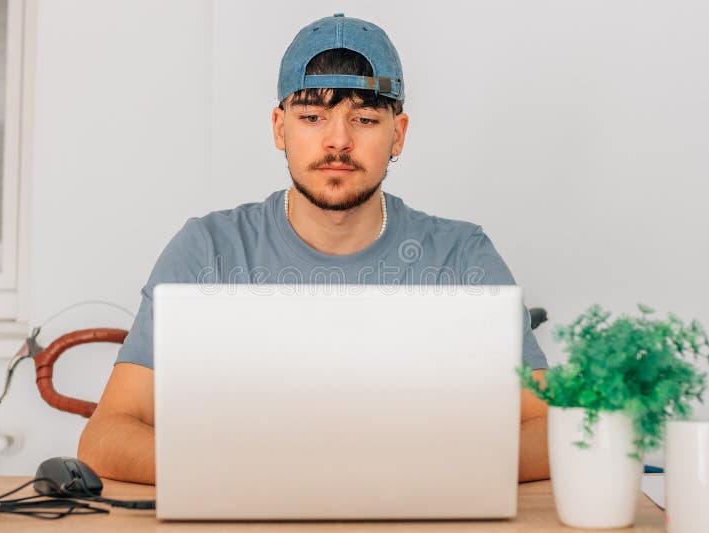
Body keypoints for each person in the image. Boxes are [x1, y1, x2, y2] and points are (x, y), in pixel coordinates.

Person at [78, 13, 550, 485]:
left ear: (398, 134)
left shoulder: (461, 257)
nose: (338, 141)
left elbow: (550, 428)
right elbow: (105, 436)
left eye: (364, 118)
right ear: (280, 128)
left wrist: (402, 471)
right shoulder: (208, 251)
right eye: (312, 117)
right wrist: (257, 474)